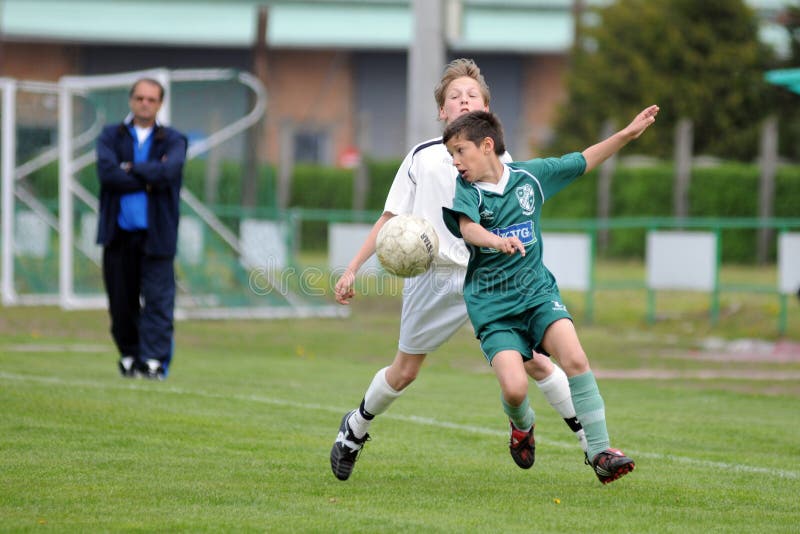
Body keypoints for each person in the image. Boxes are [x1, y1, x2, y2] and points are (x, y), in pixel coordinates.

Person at [330, 58, 588, 482]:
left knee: (536, 361)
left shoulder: (500, 160)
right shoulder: (423, 158)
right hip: (434, 277)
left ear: (486, 110)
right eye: (455, 97)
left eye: (472, 96)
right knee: (405, 371)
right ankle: (354, 429)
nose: (463, 101)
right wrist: (353, 268)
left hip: (489, 276)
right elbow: (389, 220)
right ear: (442, 112)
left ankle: (590, 445)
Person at [441, 105, 659, 484]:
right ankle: (522, 426)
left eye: (460, 151)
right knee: (514, 388)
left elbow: (583, 160)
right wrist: (496, 240)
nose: (456, 162)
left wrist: (625, 135)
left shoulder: (531, 178)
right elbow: (468, 228)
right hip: (492, 305)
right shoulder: (467, 190)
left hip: (537, 293)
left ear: (487, 145)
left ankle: (600, 451)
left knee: (574, 356)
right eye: (451, 155)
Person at [96, 78, 187, 380]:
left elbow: (169, 172)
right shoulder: (111, 136)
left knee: (158, 303)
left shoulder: (173, 139)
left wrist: (131, 168)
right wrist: (149, 175)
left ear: (160, 104)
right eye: (139, 98)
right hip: (119, 235)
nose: (145, 103)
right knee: (121, 303)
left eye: (151, 99)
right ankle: (130, 355)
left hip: (157, 236)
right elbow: (108, 175)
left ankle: (153, 361)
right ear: (131, 100)